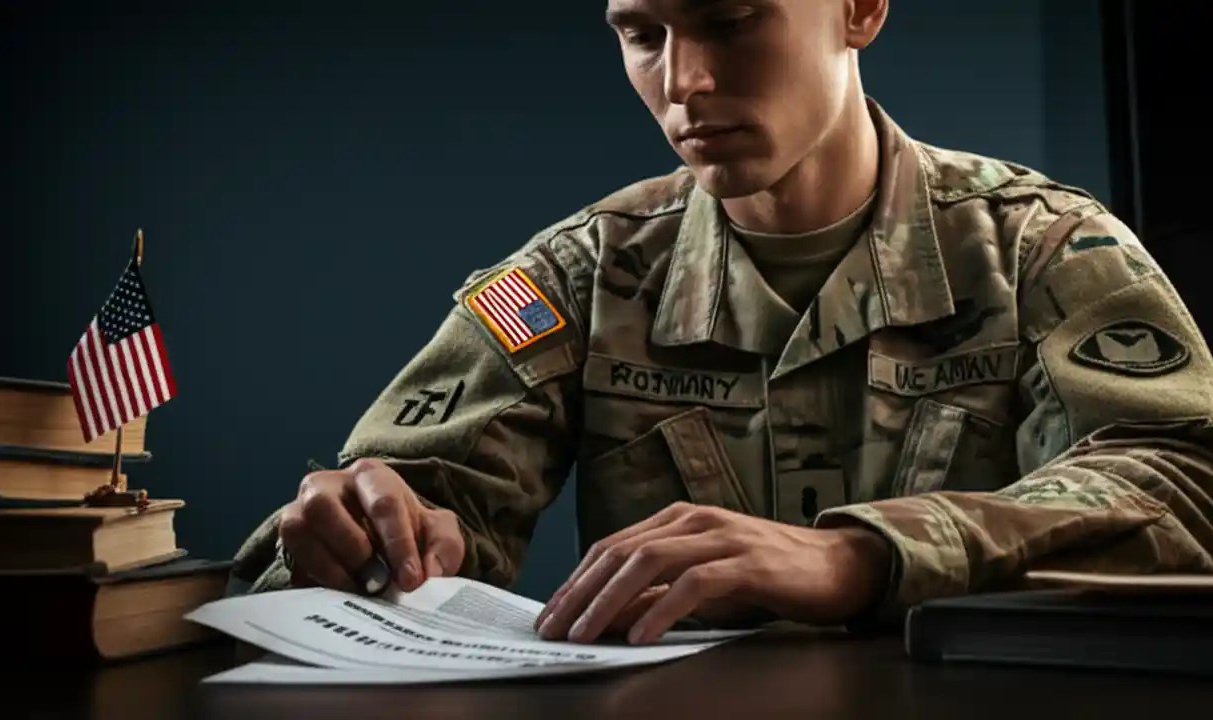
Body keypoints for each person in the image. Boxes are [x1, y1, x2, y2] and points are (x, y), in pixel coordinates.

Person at [229, 0, 1213, 645]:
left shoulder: (1042, 249)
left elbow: (1178, 483)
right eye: (641, 34)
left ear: (860, 9)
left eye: (730, 20)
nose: (683, 81)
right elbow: (409, 509)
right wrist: (364, 537)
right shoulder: (579, 275)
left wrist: (862, 554)